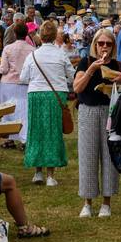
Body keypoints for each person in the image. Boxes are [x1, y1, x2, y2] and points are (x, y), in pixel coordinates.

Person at [21, 19, 76, 186]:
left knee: (36, 131)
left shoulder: (32, 55)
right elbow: (72, 76)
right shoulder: (61, 54)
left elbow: (23, 78)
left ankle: (37, 172)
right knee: (53, 132)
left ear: (40, 36)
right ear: (54, 36)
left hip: (36, 94)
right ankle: (51, 176)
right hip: (55, 94)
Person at [74, 27, 121, 219]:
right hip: (88, 111)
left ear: (113, 47)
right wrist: (92, 69)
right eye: (100, 43)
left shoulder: (117, 65)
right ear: (94, 44)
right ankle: (87, 202)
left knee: (109, 157)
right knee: (88, 156)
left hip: (109, 112)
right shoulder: (85, 62)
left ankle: (106, 202)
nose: (104, 47)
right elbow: (77, 88)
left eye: (108, 44)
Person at [0, 20, 32, 145]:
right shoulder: (32, 49)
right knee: (25, 111)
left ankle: (9, 139)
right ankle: (25, 139)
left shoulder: (8, 48)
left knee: (7, 111)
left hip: (8, 83)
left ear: (14, 34)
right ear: (26, 34)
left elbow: (4, 69)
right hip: (25, 83)